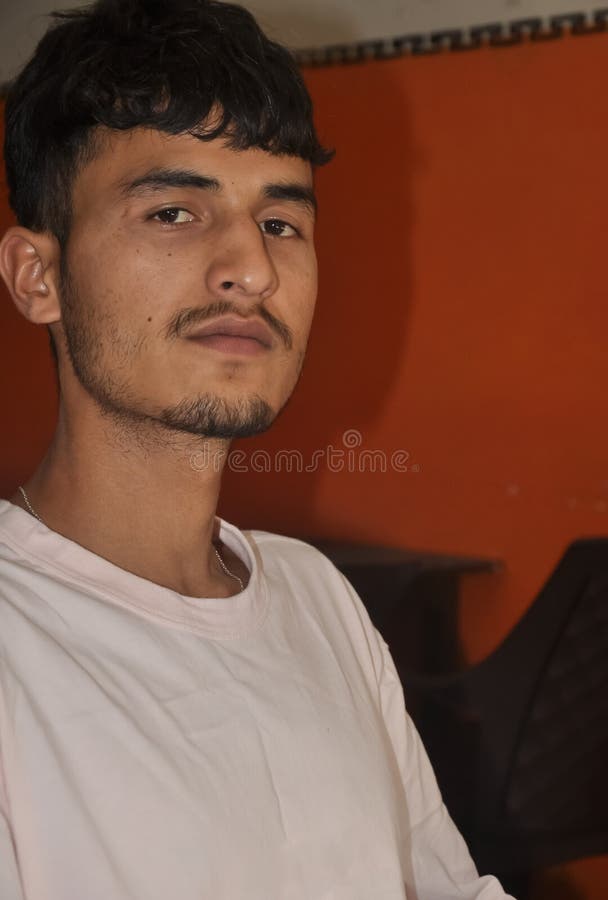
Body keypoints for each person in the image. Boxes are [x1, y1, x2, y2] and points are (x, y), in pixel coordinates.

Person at [0, 1, 513, 897]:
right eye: (172, 212)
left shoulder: (319, 598)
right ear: (38, 276)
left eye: (282, 223)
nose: (253, 266)